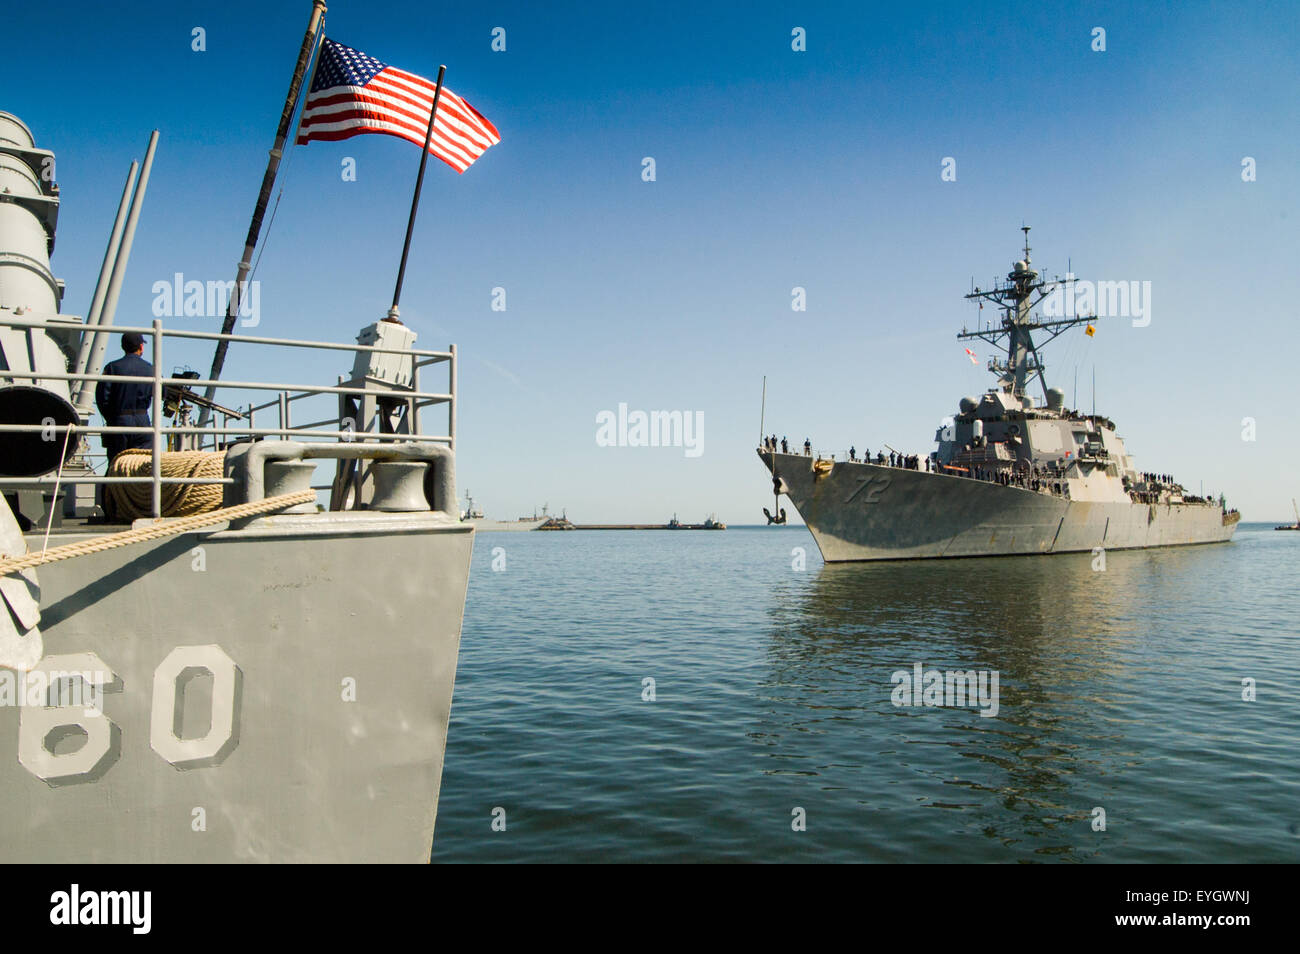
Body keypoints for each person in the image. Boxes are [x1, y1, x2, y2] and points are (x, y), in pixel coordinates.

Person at [95, 331, 153, 464]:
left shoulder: (112, 368)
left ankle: (110, 485)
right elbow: (162, 393)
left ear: (123, 346)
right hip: (142, 421)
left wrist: (111, 418)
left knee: (116, 464)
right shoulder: (150, 369)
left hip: (119, 420)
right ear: (141, 347)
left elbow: (102, 398)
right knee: (142, 464)